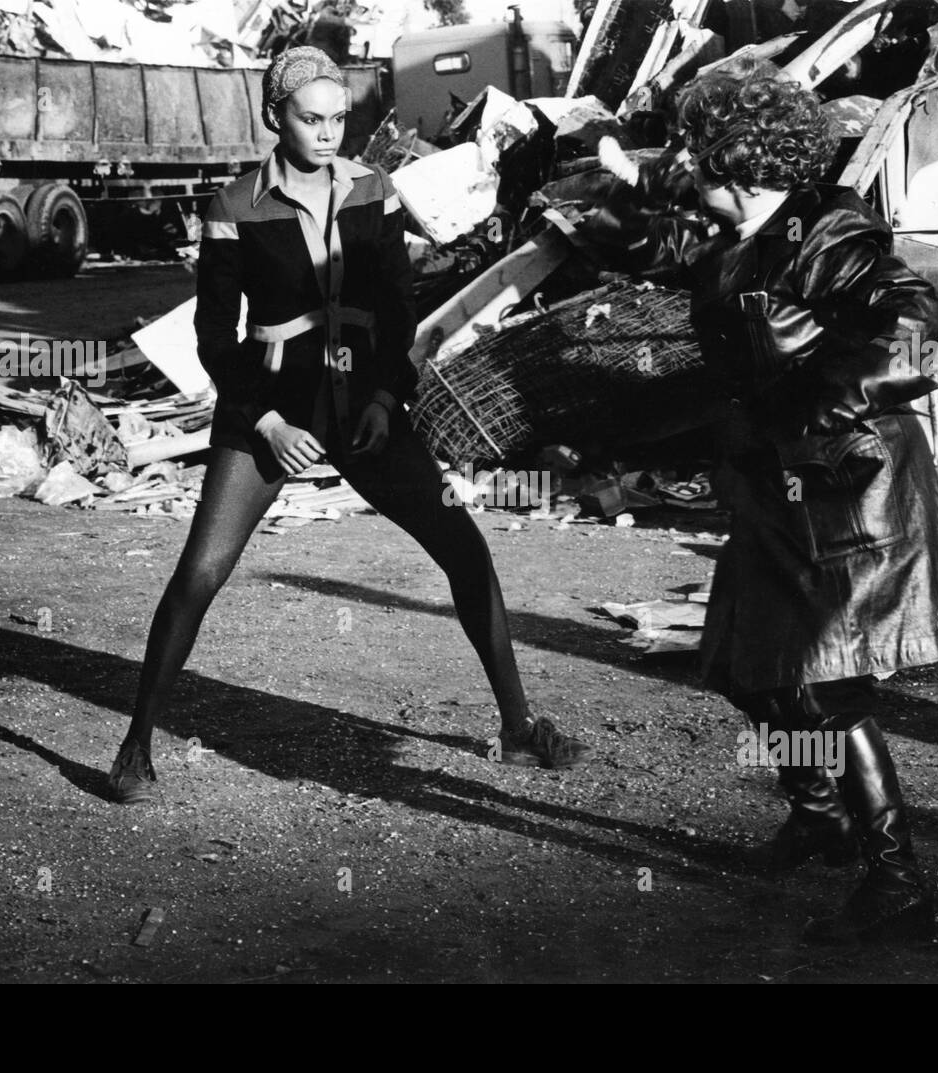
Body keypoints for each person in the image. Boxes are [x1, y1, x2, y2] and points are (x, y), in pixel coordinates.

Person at [107, 47, 592, 805]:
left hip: (361, 410)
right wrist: (264, 423)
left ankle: (520, 730)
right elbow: (212, 338)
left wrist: (383, 398)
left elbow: (399, 310)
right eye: (312, 119)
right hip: (269, 414)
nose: (329, 133)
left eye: (339, 119)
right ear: (276, 117)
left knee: (466, 548)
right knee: (200, 573)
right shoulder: (233, 206)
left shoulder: (376, 190)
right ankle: (136, 746)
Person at [601, 62, 938, 942]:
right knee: (750, 669)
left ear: (734, 162)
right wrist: (619, 176)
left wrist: (822, 404)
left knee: (823, 685)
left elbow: (915, 321)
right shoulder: (734, 232)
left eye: (698, 156)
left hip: (849, 485)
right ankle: (820, 812)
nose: (688, 171)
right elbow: (643, 215)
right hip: (777, 484)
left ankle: (898, 882)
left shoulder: (830, 231)